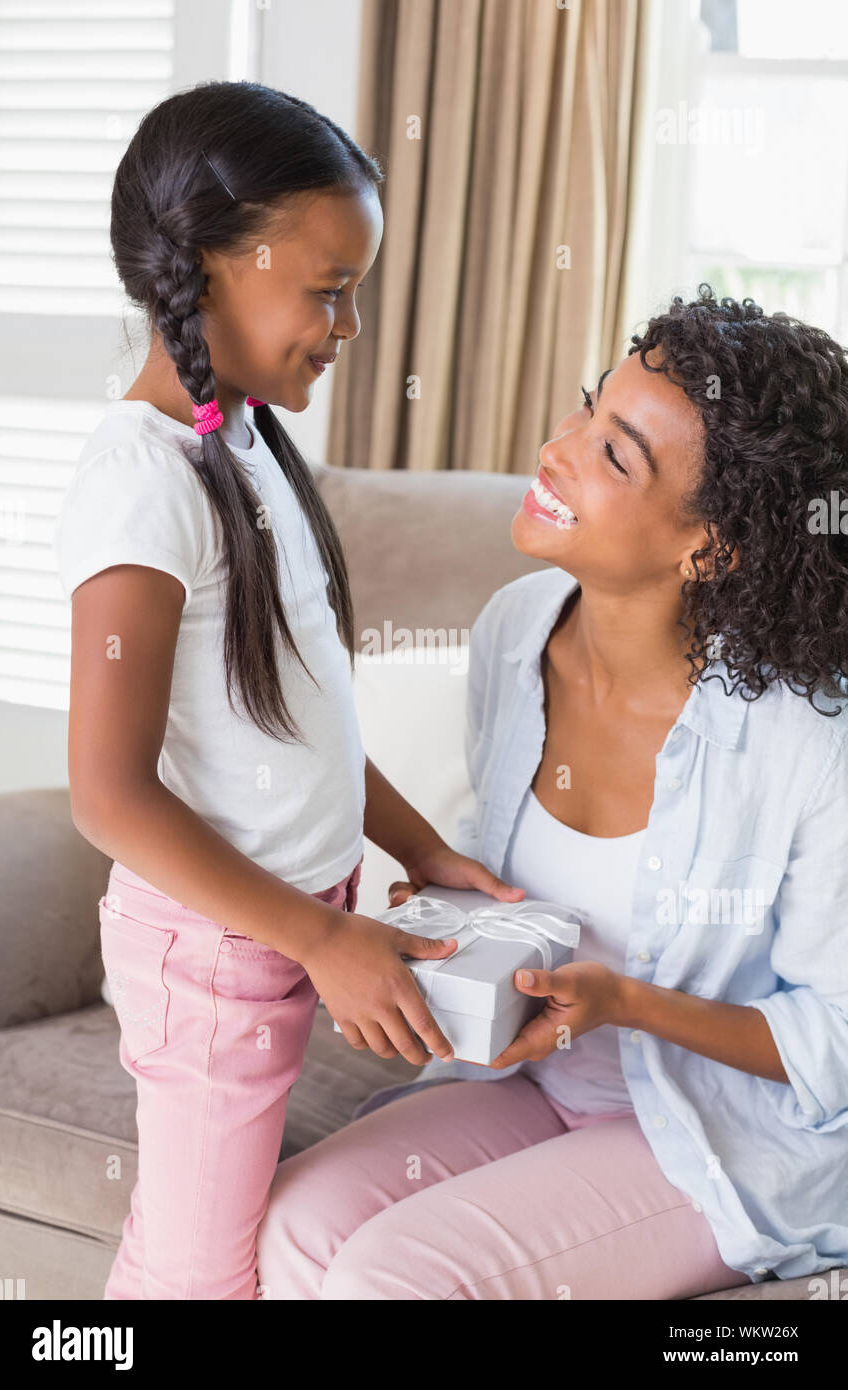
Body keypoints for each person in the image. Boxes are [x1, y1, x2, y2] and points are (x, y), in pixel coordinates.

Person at [255, 286, 848, 1299]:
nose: (557, 446)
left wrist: (620, 1004)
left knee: (389, 1278)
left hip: (714, 1130)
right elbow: (513, 869)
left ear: (708, 546)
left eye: (615, 453)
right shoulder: (516, 626)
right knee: (295, 1227)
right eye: (586, 406)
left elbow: (833, 1040)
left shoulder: (808, 737)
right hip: (530, 1078)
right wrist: (448, 919)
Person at [54, 80, 521, 1301]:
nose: (348, 322)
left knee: (204, 1255)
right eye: (327, 289)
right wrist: (321, 938)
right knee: (201, 1279)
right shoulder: (141, 485)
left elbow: (298, 718)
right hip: (214, 953)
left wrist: (418, 847)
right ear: (210, 266)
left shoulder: (248, 436)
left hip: (271, 931)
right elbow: (107, 796)